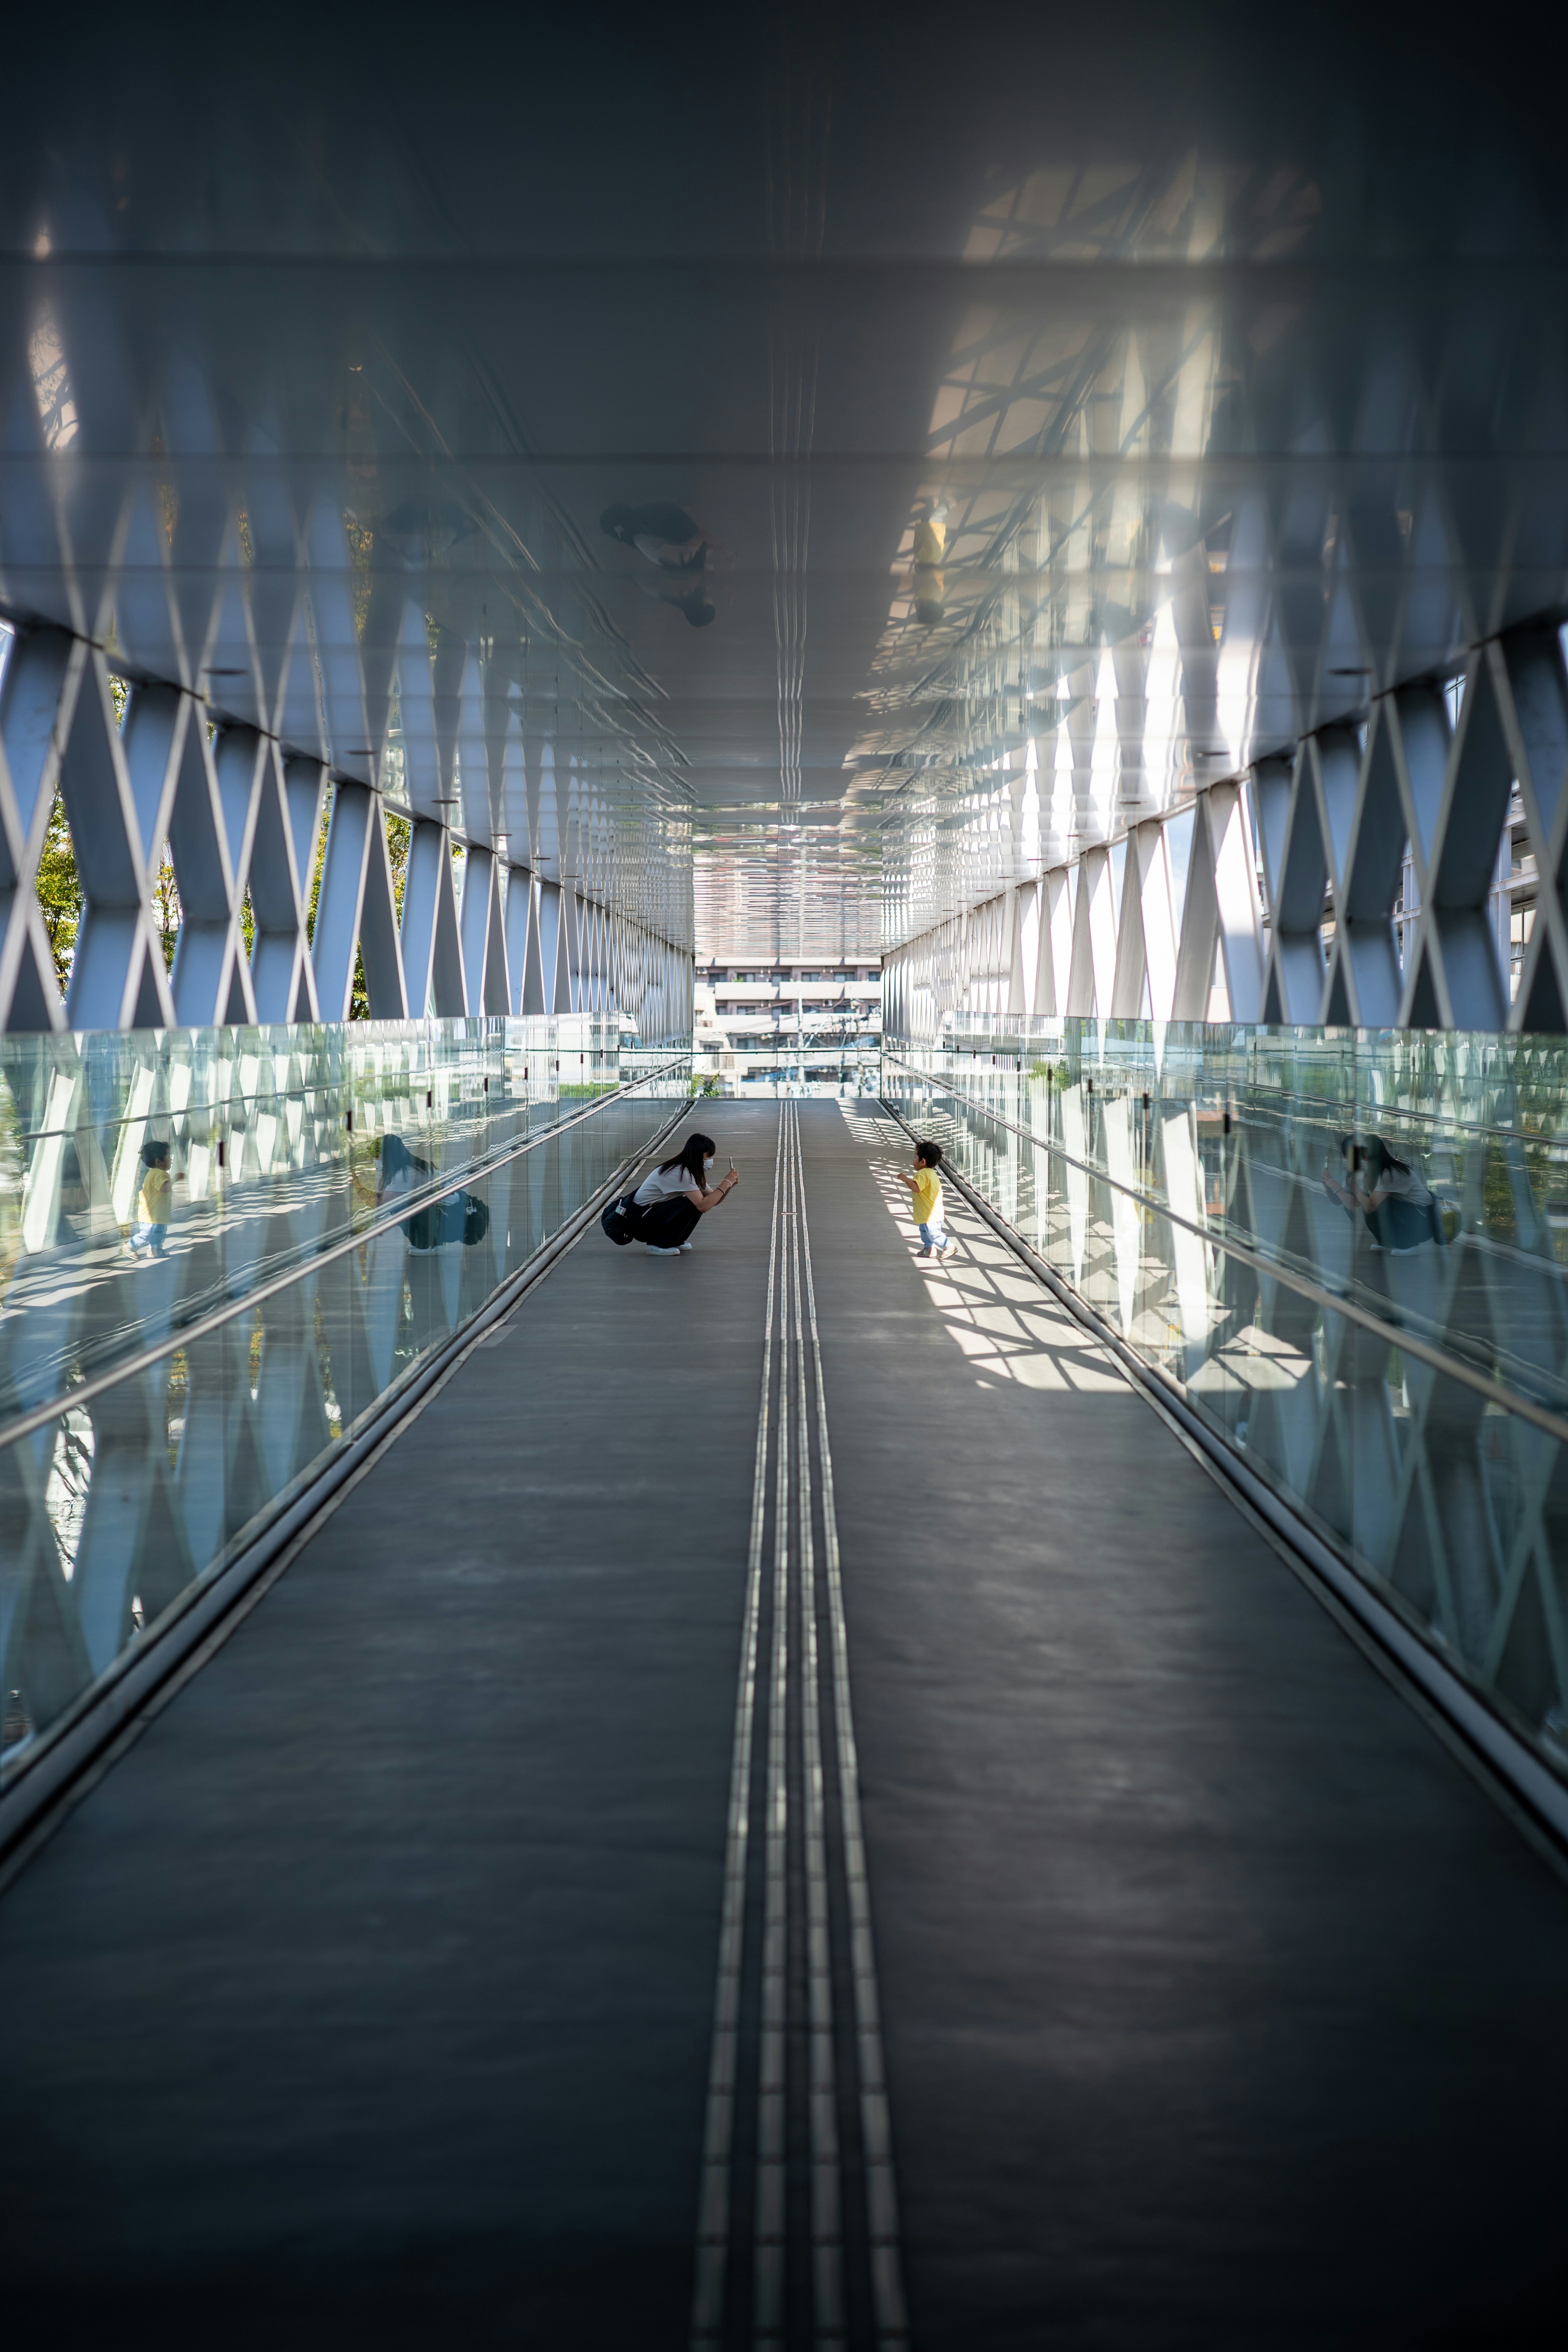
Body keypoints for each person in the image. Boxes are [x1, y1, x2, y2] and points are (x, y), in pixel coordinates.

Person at [1322, 1134, 1444, 1252]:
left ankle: (1409, 1244)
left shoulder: (1390, 1173)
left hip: (1423, 1221)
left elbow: (1370, 1207)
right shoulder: (1367, 1173)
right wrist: (1329, 1184)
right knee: (1357, 1202)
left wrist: (1353, 1187)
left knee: (1376, 1203)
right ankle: (1388, 1242)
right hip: (1411, 1217)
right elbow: (1342, 1201)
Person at [632, 1132, 738, 1255]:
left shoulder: (690, 1172)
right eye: (708, 1157)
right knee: (692, 1203)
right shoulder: (680, 1172)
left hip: (650, 1219)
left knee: (696, 1201)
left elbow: (712, 1200)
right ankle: (658, 1244)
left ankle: (676, 1240)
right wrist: (725, 1183)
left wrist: (729, 1185)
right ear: (697, 1155)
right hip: (640, 1224)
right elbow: (703, 1206)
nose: (710, 1161)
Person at [892, 1138, 954, 1258]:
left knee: (933, 1233)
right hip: (932, 1212)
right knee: (925, 1232)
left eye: (915, 1157)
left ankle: (949, 1246)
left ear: (923, 1161)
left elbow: (916, 1188)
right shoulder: (931, 1174)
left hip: (930, 1213)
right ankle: (929, 1249)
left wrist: (906, 1180)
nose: (913, 1159)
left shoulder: (922, 1174)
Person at [129, 1138, 173, 1257]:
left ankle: (154, 1250)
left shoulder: (154, 1173)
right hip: (151, 1215)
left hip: (156, 1214)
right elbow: (164, 1188)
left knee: (159, 1233)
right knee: (146, 1234)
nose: (171, 1159)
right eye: (169, 1156)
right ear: (159, 1161)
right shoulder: (159, 1174)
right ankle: (129, 1247)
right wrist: (176, 1180)